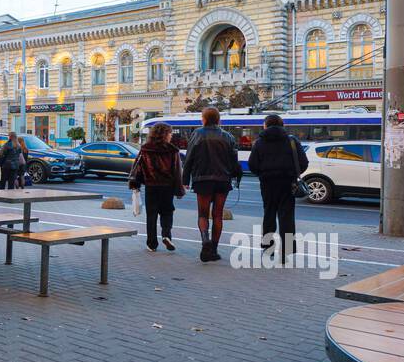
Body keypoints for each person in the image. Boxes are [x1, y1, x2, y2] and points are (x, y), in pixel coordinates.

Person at [181, 107, 242, 263]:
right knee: (217, 215)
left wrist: (185, 180)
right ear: (218, 119)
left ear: (204, 119)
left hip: (202, 179)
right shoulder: (228, 136)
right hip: (223, 180)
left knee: (202, 214)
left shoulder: (197, 134)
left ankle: (205, 241)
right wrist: (235, 176)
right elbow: (234, 160)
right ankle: (213, 249)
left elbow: (189, 158)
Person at [246, 114, 308, 264]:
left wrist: (262, 174)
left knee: (269, 214)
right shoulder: (292, 141)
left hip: (267, 184)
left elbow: (252, 165)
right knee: (286, 216)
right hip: (288, 183)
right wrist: (292, 174)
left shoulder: (259, 143)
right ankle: (287, 249)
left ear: (266, 125)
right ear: (282, 125)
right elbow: (303, 162)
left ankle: (268, 248)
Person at [128, 121, 185, 251]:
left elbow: (138, 168)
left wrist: (135, 183)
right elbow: (177, 171)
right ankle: (166, 235)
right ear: (165, 135)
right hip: (167, 187)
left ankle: (151, 244)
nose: (171, 136)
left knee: (151, 215)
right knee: (167, 212)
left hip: (151, 186)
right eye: (170, 133)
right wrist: (179, 190)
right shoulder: (172, 151)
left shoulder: (145, 149)